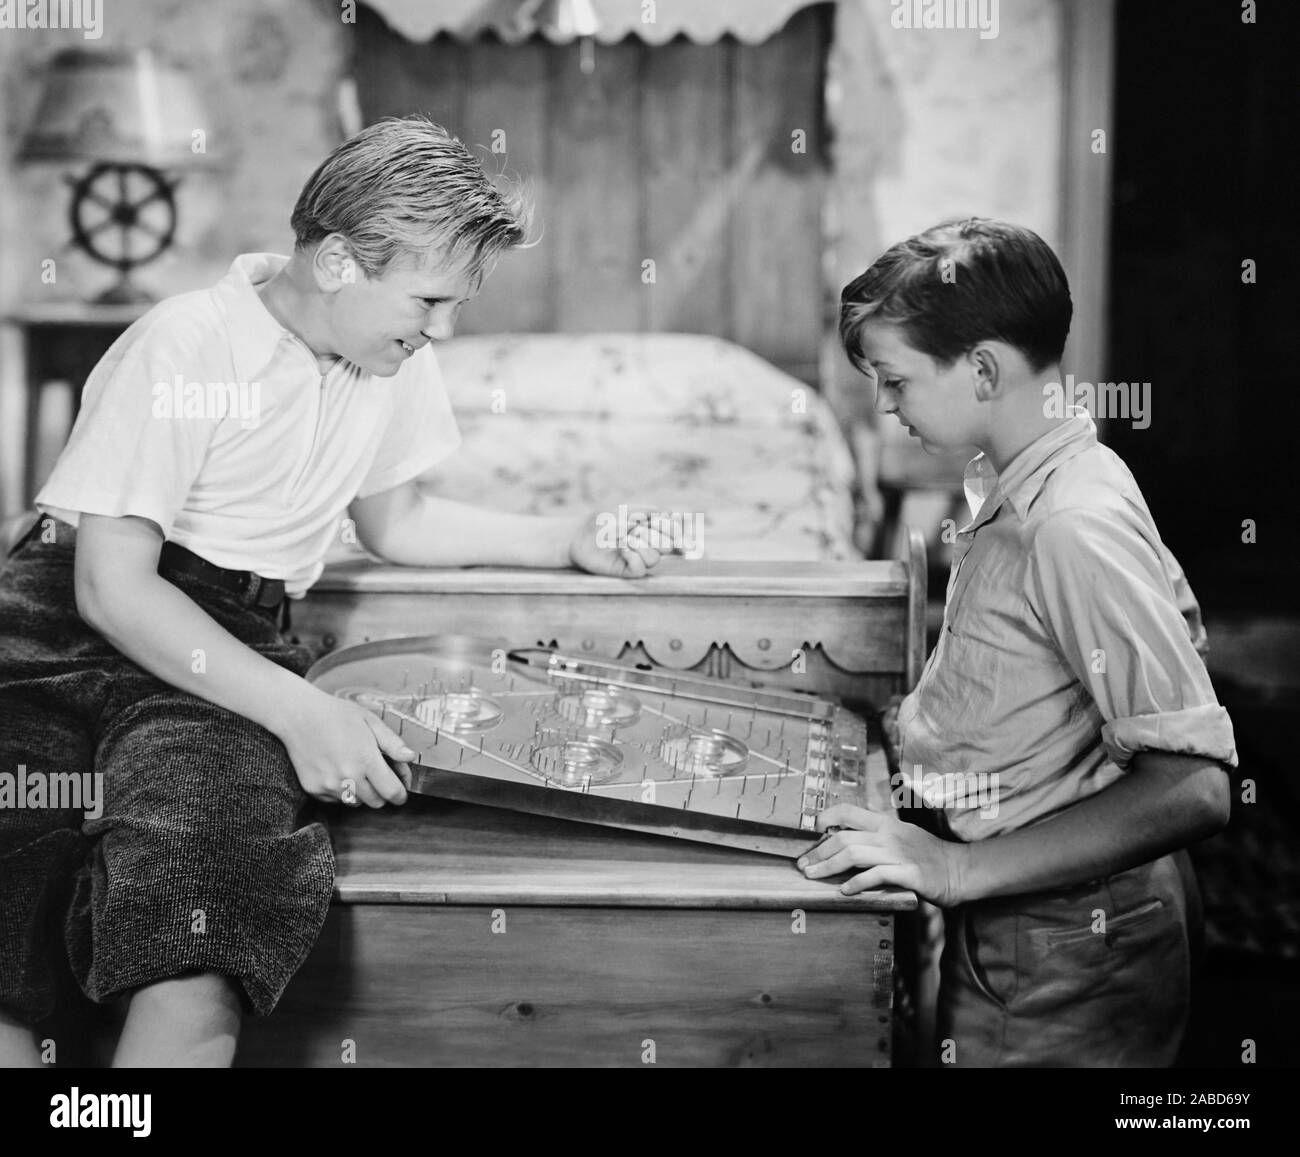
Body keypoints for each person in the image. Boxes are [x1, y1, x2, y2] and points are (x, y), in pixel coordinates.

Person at [0, 116, 664, 1068]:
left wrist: (566, 538)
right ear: (342, 261)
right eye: (431, 299)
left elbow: (399, 522)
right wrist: (305, 713)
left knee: (203, 904)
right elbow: (111, 585)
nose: (443, 330)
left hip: (225, 644)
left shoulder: (393, 363)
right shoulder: (185, 343)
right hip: (62, 617)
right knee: (11, 882)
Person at [800, 218, 1237, 1066]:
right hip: (1027, 911)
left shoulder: (1070, 525)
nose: (886, 406)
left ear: (986, 369)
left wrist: (956, 872)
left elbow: (1193, 790)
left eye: (895, 380)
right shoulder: (1022, 483)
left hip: (1071, 939)